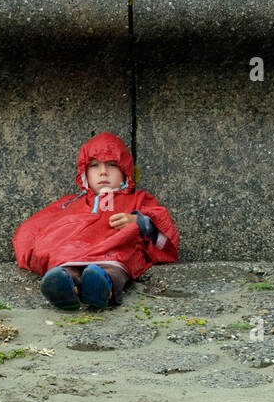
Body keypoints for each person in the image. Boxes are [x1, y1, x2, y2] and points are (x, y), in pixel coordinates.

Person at [12, 132, 178, 311]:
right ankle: (63, 284)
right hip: (73, 254)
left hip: (113, 255)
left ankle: (103, 287)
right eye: (94, 165)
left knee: (112, 267)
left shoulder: (137, 199)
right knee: (65, 262)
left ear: (125, 171)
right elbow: (35, 228)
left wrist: (138, 221)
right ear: (85, 172)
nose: (103, 172)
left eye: (112, 165)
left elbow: (162, 230)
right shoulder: (72, 202)